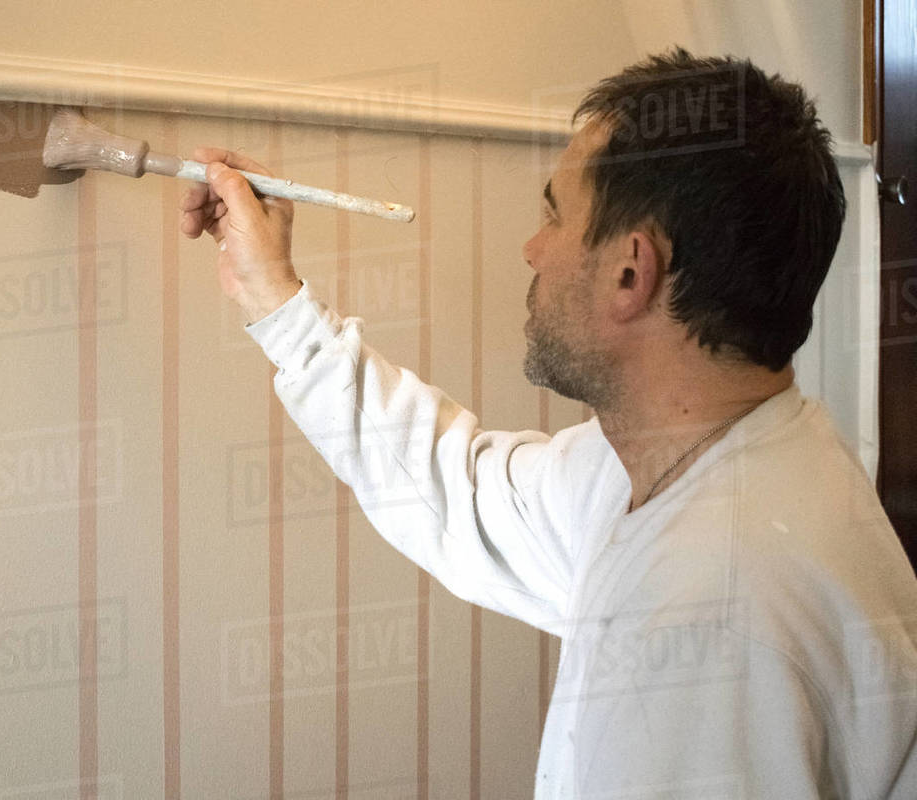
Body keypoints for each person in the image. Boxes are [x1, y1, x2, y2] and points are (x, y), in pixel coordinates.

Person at [179, 47, 917, 799]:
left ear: (632, 272)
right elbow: (459, 494)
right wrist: (278, 305)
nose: (534, 249)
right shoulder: (692, 466)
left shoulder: (710, 622)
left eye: (555, 215)